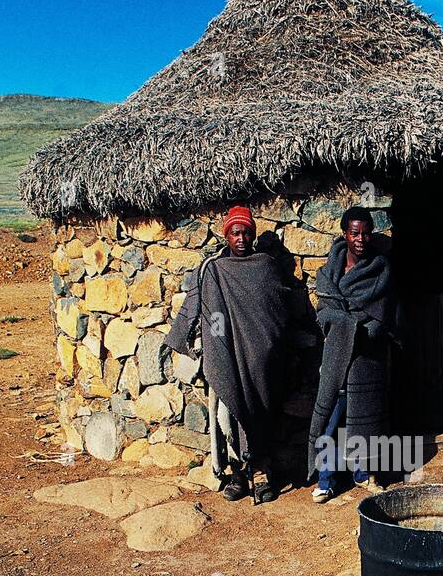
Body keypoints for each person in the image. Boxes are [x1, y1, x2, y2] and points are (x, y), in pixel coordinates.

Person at [166, 206, 290, 503]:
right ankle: (237, 473)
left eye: (247, 232)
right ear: (227, 235)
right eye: (236, 232)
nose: (242, 238)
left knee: (259, 411)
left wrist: (268, 342)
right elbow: (212, 313)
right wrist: (216, 341)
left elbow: (275, 312)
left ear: (254, 235)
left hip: (261, 355)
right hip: (227, 351)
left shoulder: (265, 266)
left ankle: (260, 472)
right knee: (228, 414)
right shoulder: (215, 270)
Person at [308, 206, 397, 502]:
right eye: (355, 233)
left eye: (366, 233)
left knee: (364, 420)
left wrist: (360, 330)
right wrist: (346, 324)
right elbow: (324, 311)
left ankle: (362, 474)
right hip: (335, 357)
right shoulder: (329, 271)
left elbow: (383, 317)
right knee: (330, 421)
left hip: (365, 358)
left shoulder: (379, 271)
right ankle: (325, 479)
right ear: (345, 233)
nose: (360, 239)